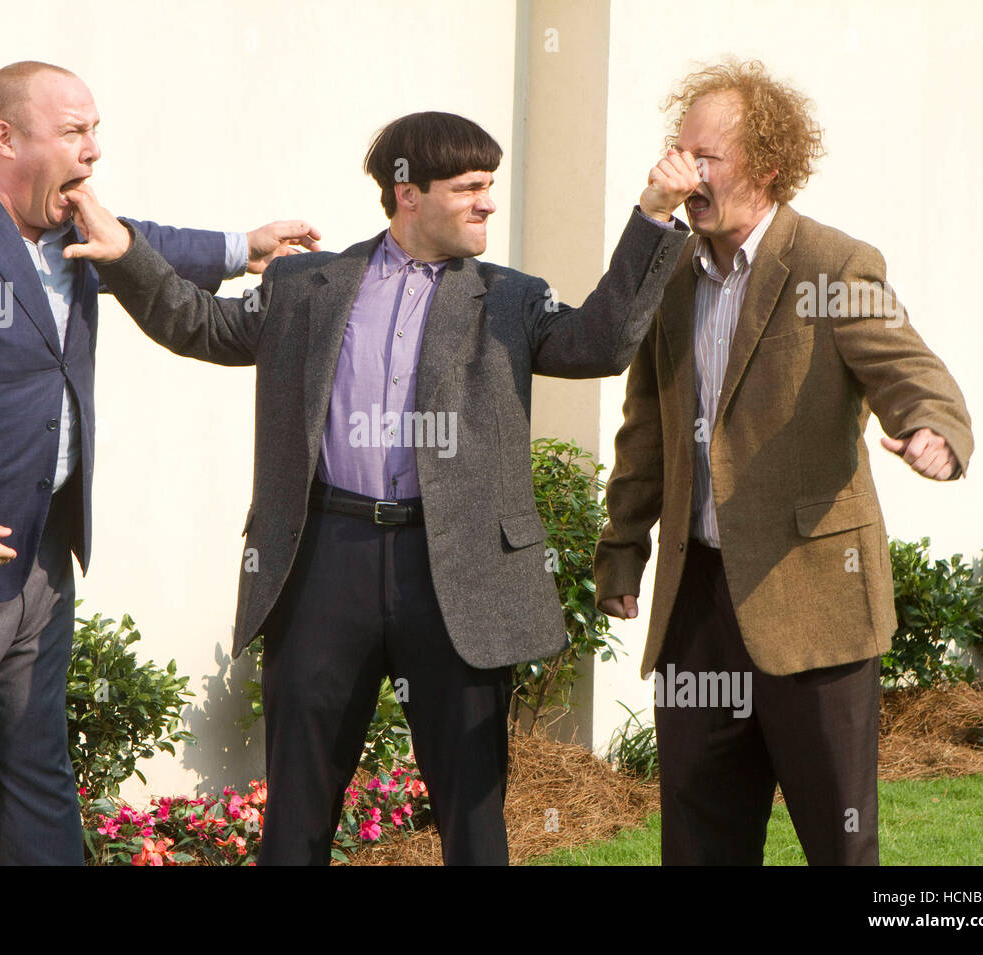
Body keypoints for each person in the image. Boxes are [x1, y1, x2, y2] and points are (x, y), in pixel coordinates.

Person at [63, 110, 698, 864]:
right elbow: (201, 324)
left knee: (474, 819)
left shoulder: (509, 299)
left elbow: (601, 342)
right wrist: (127, 254)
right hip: (324, 559)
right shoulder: (307, 286)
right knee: (296, 816)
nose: (488, 202)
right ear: (408, 193)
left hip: (454, 569)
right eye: (469, 187)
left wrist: (654, 215)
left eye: (490, 185)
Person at [0, 60, 319, 865]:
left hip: (36, 562)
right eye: (75, 132)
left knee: (32, 790)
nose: (94, 150)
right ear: (5, 137)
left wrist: (238, 247)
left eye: (95, 130)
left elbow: (137, 241)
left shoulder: (63, 227)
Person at [592, 60, 974, 865]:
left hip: (814, 606)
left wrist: (934, 430)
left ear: (765, 165)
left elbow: (912, 373)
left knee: (840, 847)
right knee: (698, 846)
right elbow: (646, 431)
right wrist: (623, 544)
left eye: (706, 158)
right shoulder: (668, 279)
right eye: (678, 151)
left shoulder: (834, 265)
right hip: (698, 612)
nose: (684, 174)